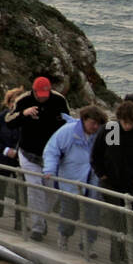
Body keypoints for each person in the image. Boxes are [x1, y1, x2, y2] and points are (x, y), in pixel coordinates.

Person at [5, 76, 70, 241]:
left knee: (51, 192)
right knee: (34, 189)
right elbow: (9, 121)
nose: (43, 97)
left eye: (46, 93)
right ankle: (37, 228)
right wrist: (23, 114)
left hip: (51, 155)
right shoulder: (23, 100)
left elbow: (68, 123)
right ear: (34, 91)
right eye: (40, 94)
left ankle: (40, 218)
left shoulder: (59, 100)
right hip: (28, 153)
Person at [91, 99, 133, 264]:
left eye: (131, 123)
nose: (127, 127)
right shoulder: (111, 130)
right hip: (110, 183)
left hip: (129, 184)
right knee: (118, 218)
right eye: (125, 123)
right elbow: (97, 155)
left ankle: (121, 256)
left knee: (125, 220)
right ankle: (118, 258)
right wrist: (102, 174)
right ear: (119, 119)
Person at [42, 104, 107, 254]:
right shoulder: (68, 131)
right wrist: (49, 169)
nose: (95, 127)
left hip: (93, 181)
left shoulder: (101, 135)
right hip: (71, 179)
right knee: (70, 213)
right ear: (84, 119)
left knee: (92, 215)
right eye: (93, 123)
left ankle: (87, 245)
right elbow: (52, 149)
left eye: (98, 124)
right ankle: (63, 237)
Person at [0, 87, 25, 229]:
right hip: (2, 158)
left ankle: (19, 221)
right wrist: (5, 150)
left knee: (21, 191)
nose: (15, 105)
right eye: (13, 102)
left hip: (19, 160)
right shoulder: (0, 118)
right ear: (8, 103)